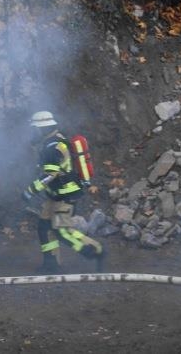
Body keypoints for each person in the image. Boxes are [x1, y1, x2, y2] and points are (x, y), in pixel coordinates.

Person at [23, 110, 104, 273]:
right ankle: (51, 263)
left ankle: (95, 250)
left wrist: (30, 191)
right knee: (44, 227)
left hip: (65, 195)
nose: (33, 133)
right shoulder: (56, 141)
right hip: (55, 194)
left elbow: (50, 175)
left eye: (35, 129)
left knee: (61, 231)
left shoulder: (52, 147)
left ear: (42, 129)